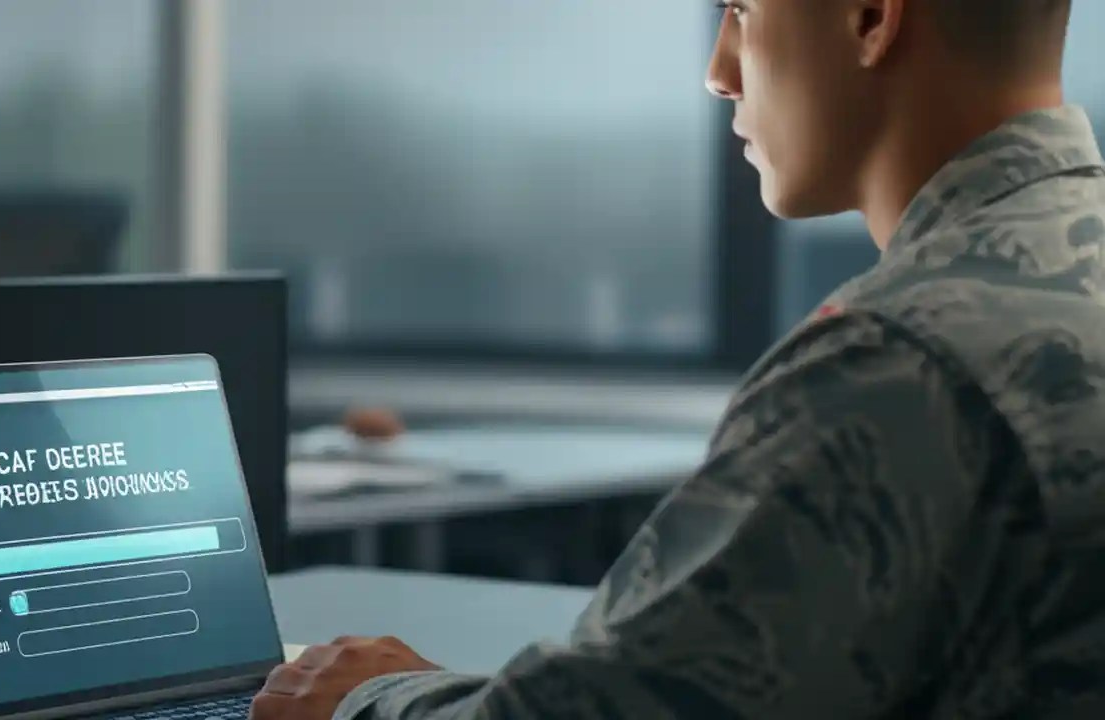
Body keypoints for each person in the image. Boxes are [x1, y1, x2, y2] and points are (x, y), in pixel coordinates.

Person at [252, 0, 1105, 717]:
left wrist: (377, 699)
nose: (717, 69)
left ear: (871, 16)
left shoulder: (895, 363)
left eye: (741, 8)